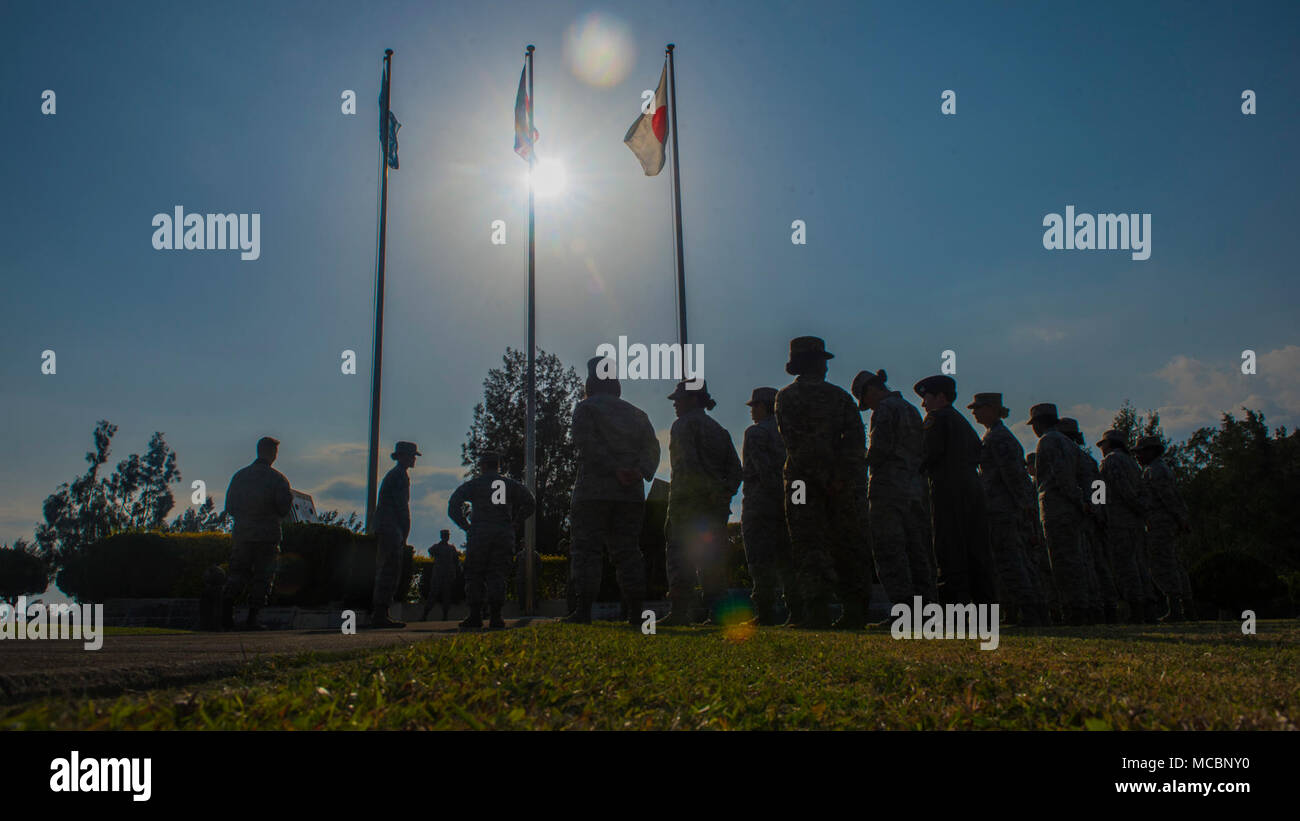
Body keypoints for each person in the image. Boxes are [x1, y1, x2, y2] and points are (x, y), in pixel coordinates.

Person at [774, 337, 868, 629]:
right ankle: (852, 611)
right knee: (845, 543)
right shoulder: (841, 398)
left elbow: (794, 442)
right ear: (815, 363)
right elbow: (855, 442)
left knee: (808, 544)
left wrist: (822, 477)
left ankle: (817, 612)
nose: (826, 366)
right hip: (837, 485)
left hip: (803, 484)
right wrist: (839, 478)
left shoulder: (786, 396)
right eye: (822, 360)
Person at [562, 356, 660, 627]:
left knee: (587, 550)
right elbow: (652, 448)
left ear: (591, 380)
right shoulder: (637, 413)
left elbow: (585, 443)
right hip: (630, 494)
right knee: (628, 551)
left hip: (593, 490)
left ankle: (583, 611)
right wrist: (638, 471)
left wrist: (613, 468)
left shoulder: (586, 408)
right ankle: (636, 612)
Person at [852, 369, 935, 615]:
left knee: (890, 551)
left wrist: (859, 460)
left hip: (888, 490)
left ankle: (905, 610)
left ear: (870, 390)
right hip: (914, 490)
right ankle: (927, 608)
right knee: (917, 551)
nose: (867, 405)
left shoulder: (884, 410)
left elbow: (879, 450)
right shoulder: (910, 408)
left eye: (864, 398)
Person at [662, 380, 742, 626]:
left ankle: (679, 612)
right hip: (715, 508)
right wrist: (721, 495)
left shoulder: (682, 425)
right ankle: (717, 613)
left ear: (694, 399)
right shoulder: (719, 430)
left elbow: (686, 467)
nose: (675, 404)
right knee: (712, 559)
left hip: (687, 504)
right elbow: (736, 471)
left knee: (680, 556)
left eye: (680, 399)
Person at [914, 375, 996, 605]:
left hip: (947, 491)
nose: (923, 404)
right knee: (976, 552)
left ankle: (953, 610)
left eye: (926, 397)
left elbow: (926, 455)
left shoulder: (936, 418)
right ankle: (985, 607)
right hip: (972, 490)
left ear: (940, 397)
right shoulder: (963, 423)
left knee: (949, 550)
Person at [968, 393, 1044, 625]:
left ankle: (1031, 613)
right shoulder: (994, 435)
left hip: (1004, 510)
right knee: (1006, 562)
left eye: (979, 408)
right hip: (999, 508)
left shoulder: (999, 438)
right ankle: (1016, 612)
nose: (974, 412)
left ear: (992, 408)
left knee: (1011, 561)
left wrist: (1025, 507)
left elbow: (1013, 476)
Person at [448, 451, 536, 631]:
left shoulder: (474, 485)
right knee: (497, 574)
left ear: (482, 466)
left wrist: (465, 525)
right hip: (503, 533)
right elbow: (530, 501)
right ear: (498, 466)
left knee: (475, 574)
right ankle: (496, 616)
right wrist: (516, 522)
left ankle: (475, 615)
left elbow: (453, 504)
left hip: (480, 532)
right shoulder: (509, 484)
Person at [1026, 404, 1090, 624]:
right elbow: (1086, 478)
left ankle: (1074, 611)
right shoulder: (1068, 444)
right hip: (1069, 509)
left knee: (1063, 563)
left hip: (1057, 508)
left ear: (1038, 424)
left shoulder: (1048, 441)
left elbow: (1062, 477)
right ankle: (1081, 608)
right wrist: (1085, 503)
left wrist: (1077, 500)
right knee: (1073, 560)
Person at [221, 436, 293, 630]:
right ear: (272, 453)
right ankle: (253, 618)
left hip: (243, 534)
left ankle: (225, 615)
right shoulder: (277, 479)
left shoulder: (240, 476)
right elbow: (284, 508)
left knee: (237, 573)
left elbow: (230, 506)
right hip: (267, 536)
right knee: (263, 577)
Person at [740, 386, 798, 625]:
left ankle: (764, 612)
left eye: (754, 406)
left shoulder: (755, 433)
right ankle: (797, 610)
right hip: (789, 503)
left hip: (761, 504)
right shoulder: (790, 433)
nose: (752, 411)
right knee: (788, 560)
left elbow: (763, 472)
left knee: (760, 560)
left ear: (764, 406)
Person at [1059, 418, 1115, 623]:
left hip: (1081, 514)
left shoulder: (1070, 457)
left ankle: (1095, 607)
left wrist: (1089, 507)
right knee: (1098, 564)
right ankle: (1106, 606)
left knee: (1087, 563)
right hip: (1092, 515)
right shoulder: (1088, 459)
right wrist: (1098, 509)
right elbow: (1098, 488)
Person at [1134, 435, 1191, 622]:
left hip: (1160, 523)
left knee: (1163, 564)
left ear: (1151, 451)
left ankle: (1175, 609)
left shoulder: (1155, 471)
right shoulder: (1158, 469)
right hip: (1162, 522)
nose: (1138, 457)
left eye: (1141, 452)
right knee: (1173, 563)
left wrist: (1180, 518)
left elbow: (1168, 497)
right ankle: (1184, 606)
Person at [1096, 430, 1148, 624]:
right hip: (1134, 519)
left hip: (1119, 519)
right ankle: (1147, 606)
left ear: (1109, 444)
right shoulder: (1132, 463)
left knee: (1125, 565)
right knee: (1139, 563)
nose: (1101, 449)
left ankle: (1136, 608)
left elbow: (1107, 488)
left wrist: (1097, 510)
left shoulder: (1110, 461)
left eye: (1102, 445)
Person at [371, 441, 419, 629]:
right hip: (391, 528)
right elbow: (401, 507)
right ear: (402, 456)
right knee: (389, 570)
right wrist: (406, 529)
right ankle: (380, 613)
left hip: (388, 527)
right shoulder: (399, 476)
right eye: (411, 455)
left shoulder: (397, 475)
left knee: (388, 569)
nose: (414, 459)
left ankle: (382, 612)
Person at [422, 529, 460, 621]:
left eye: (447, 535)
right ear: (442, 536)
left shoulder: (451, 548)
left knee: (446, 595)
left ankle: (445, 616)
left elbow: (456, 560)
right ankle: (425, 615)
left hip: (448, 574)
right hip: (438, 574)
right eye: (445, 535)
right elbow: (430, 551)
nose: (446, 537)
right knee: (433, 594)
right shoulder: (436, 547)